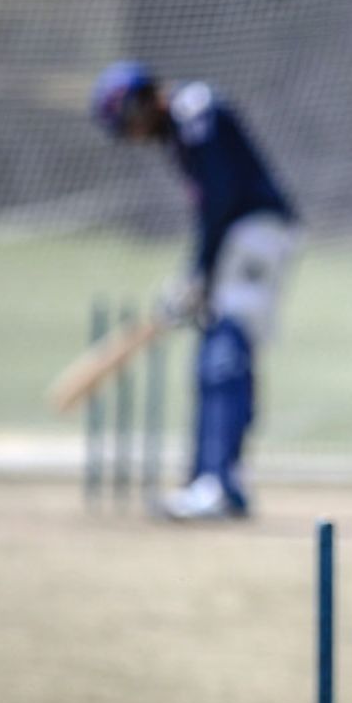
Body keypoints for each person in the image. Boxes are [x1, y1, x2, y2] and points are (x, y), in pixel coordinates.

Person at [90, 62, 299, 519]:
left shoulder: (194, 110)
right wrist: (198, 277)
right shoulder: (181, 130)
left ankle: (217, 485)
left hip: (254, 232)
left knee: (224, 352)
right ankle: (218, 479)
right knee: (217, 353)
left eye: (129, 125)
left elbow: (223, 197)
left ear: (139, 104)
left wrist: (198, 274)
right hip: (242, 237)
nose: (134, 137)